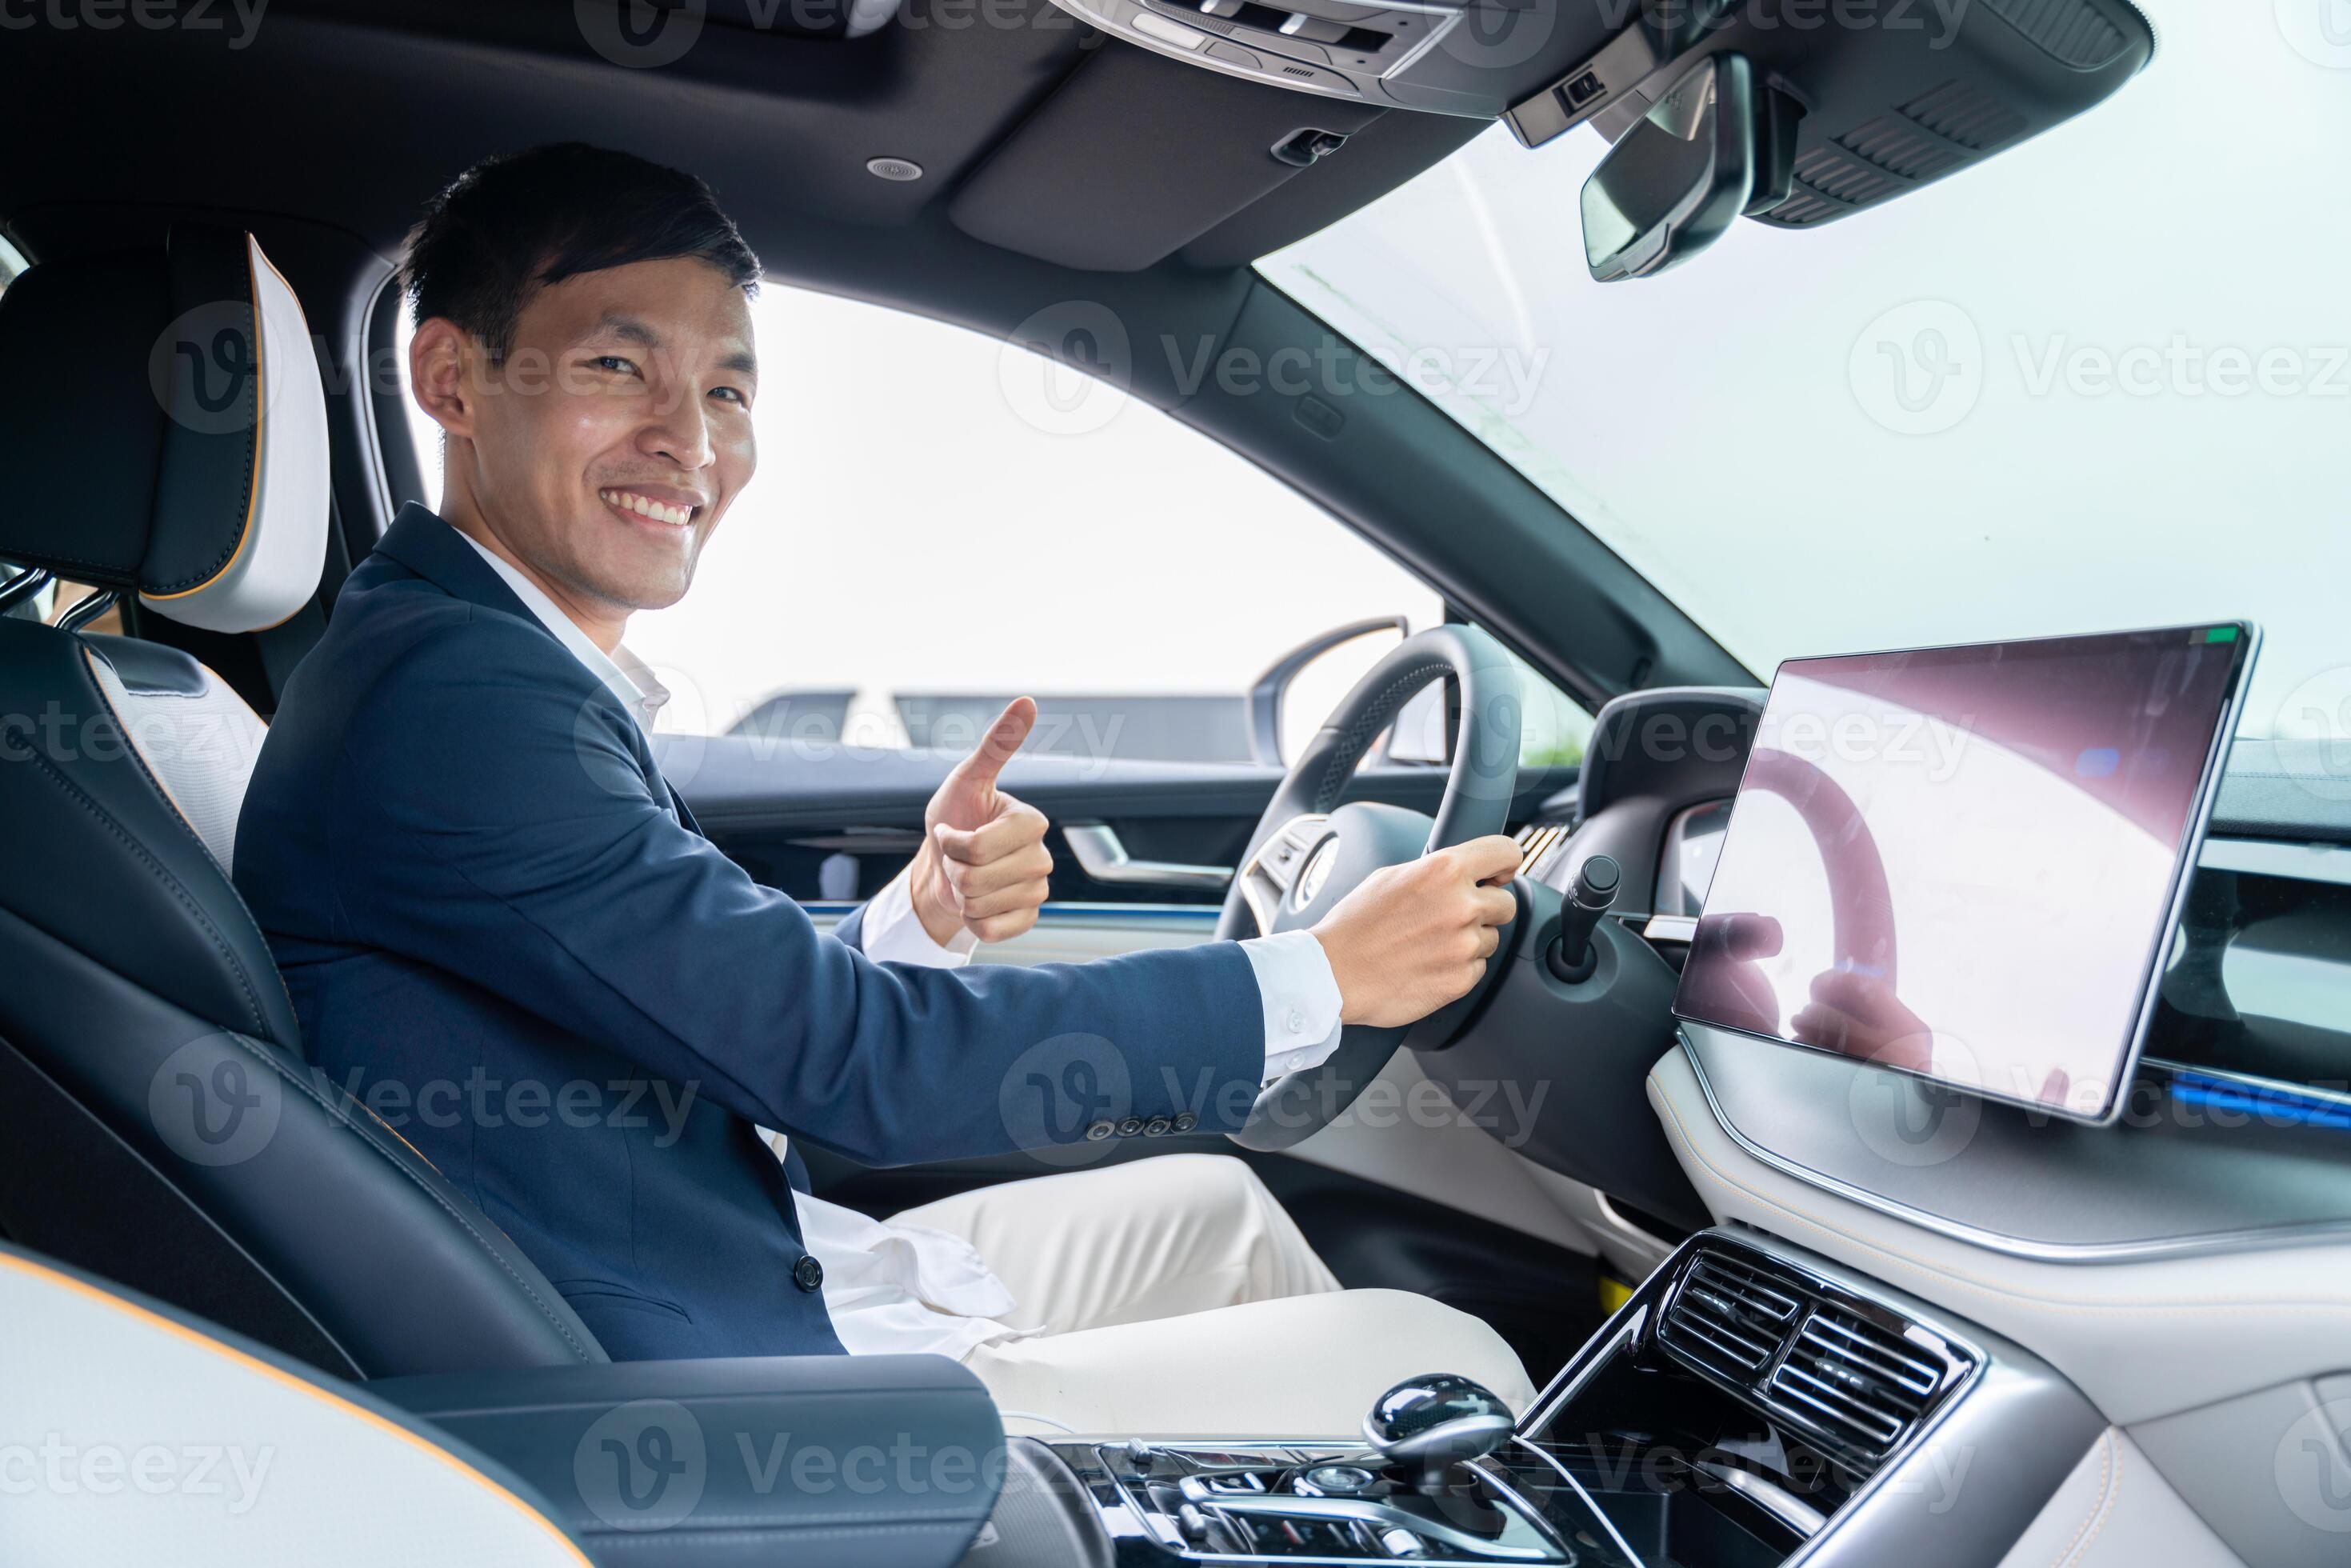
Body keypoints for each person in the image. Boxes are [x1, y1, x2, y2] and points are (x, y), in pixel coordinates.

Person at [236, 142, 1537, 1434]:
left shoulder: (463, 655)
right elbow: (848, 1061)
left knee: (1218, 1211)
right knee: (1441, 1359)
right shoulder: (458, 702)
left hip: (741, 1258)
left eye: (729, 393)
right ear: (453, 379)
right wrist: (1325, 975)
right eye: (616, 366)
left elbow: (690, 997)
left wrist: (918, 915)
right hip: (707, 1385)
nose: (689, 443)